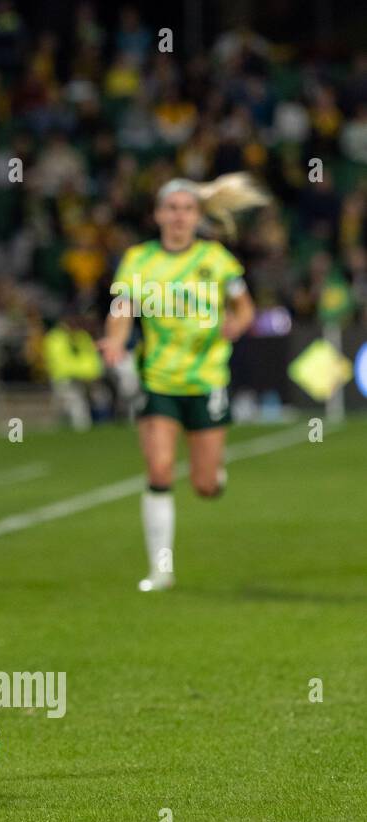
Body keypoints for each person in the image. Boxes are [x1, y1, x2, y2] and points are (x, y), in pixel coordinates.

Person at [98, 173, 269, 592]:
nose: (178, 216)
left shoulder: (217, 260)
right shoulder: (139, 260)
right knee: (158, 470)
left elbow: (245, 309)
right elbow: (122, 309)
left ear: (198, 215)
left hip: (207, 379)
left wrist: (234, 326)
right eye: (171, 208)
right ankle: (161, 569)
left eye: (187, 209)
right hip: (157, 379)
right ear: (158, 214)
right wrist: (116, 343)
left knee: (205, 486)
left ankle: (213, 475)